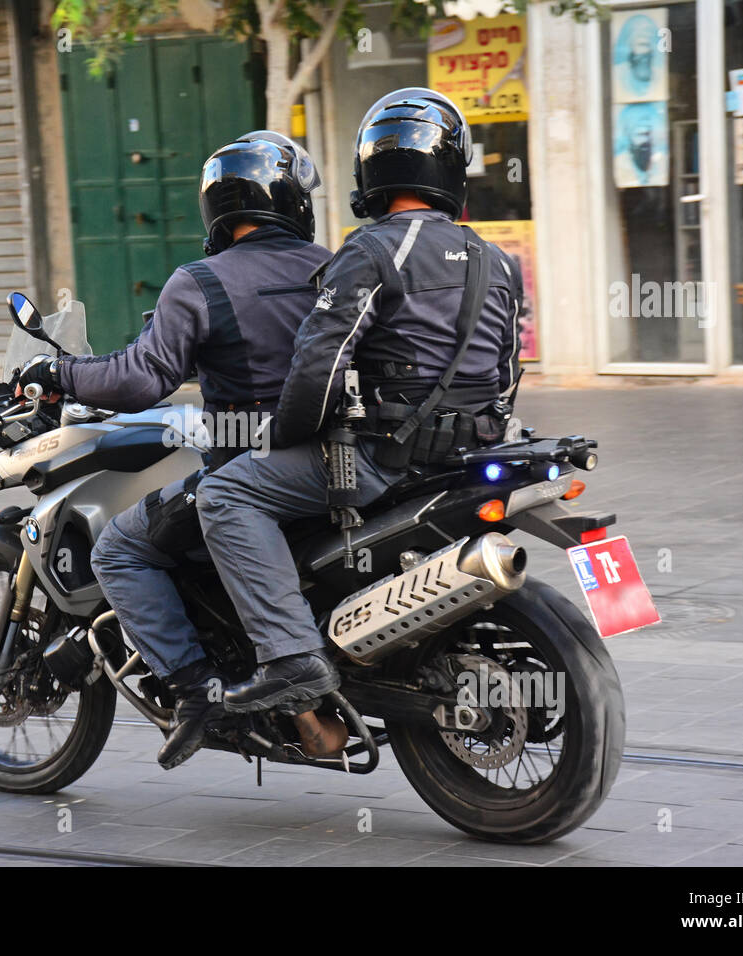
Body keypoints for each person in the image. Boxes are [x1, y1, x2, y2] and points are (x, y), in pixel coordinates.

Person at [195, 88, 525, 715]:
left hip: (384, 460)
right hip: (471, 455)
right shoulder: (498, 262)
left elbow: (318, 367)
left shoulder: (371, 251)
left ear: (371, 171)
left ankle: (291, 658)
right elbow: (507, 372)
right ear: (452, 170)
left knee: (226, 493)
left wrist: (281, 436)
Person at [17, 131, 331, 768]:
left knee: (122, 548)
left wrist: (59, 374)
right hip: (331, 464)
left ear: (218, 208)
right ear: (292, 201)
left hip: (249, 468)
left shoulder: (200, 281)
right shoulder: (332, 267)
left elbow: (140, 378)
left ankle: (196, 692)